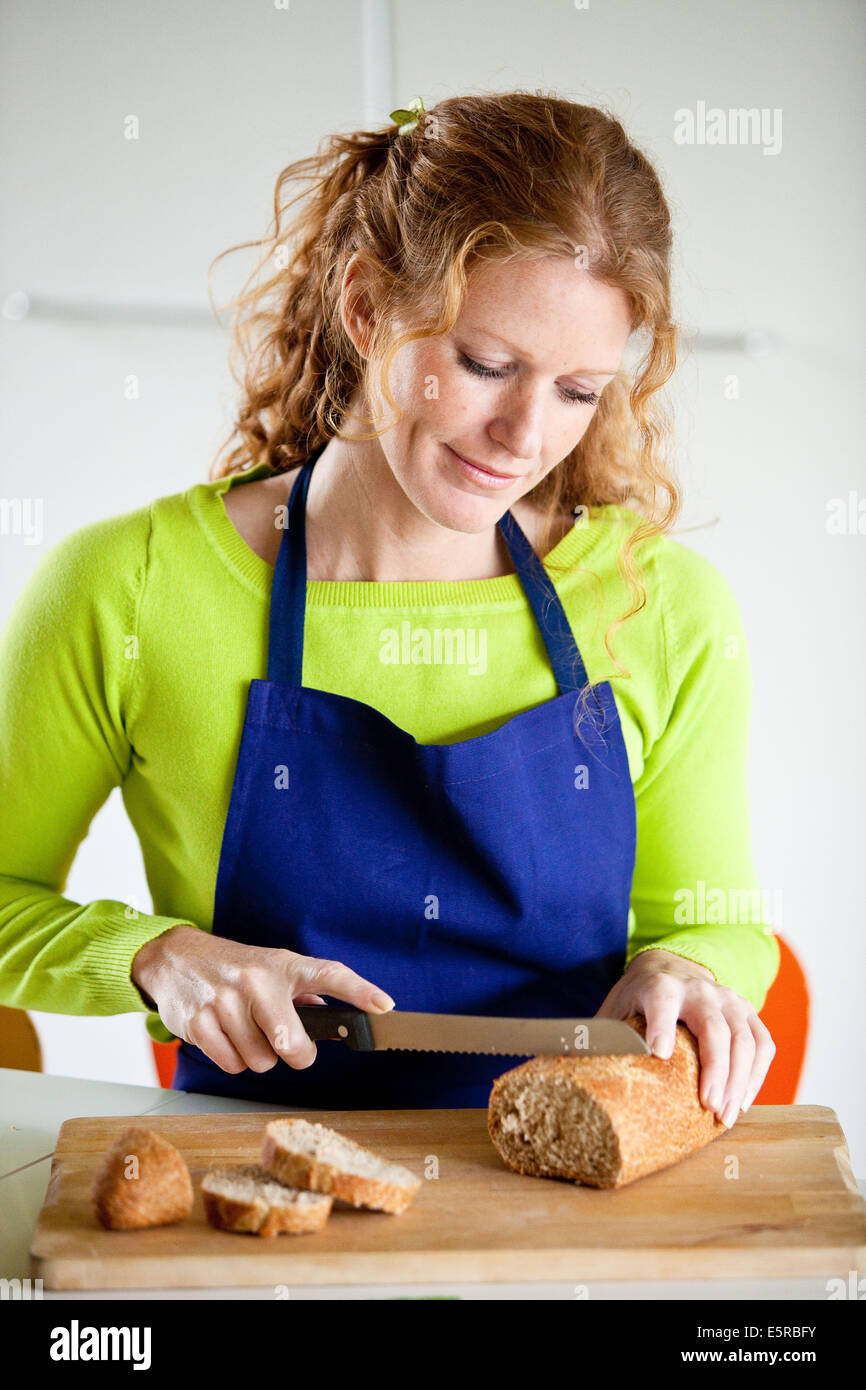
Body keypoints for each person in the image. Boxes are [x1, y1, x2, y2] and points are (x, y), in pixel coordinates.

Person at [0, 91, 777, 1116]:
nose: (523, 435)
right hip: (250, 1214)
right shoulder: (129, 588)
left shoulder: (662, 605)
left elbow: (714, 917)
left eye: (578, 391)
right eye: (484, 364)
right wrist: (156, 955)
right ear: (365, 308)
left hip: (562, 1213)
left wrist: (688, 969)